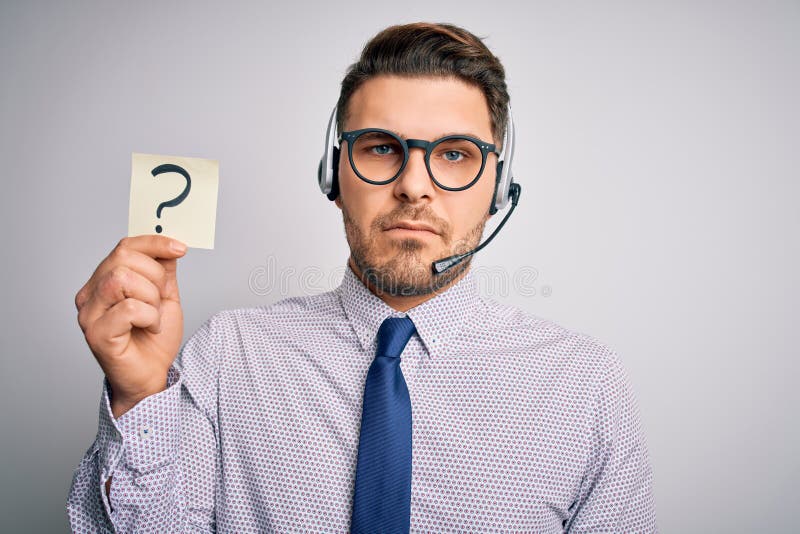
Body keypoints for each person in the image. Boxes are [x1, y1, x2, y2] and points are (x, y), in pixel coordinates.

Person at [67, 22, 656, 533]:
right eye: (380, 148)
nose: (414, 185)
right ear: (334, 172)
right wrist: (139, 395)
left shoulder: (586, 388)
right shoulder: (226, 356)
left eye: (455, 154)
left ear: (498, 187)